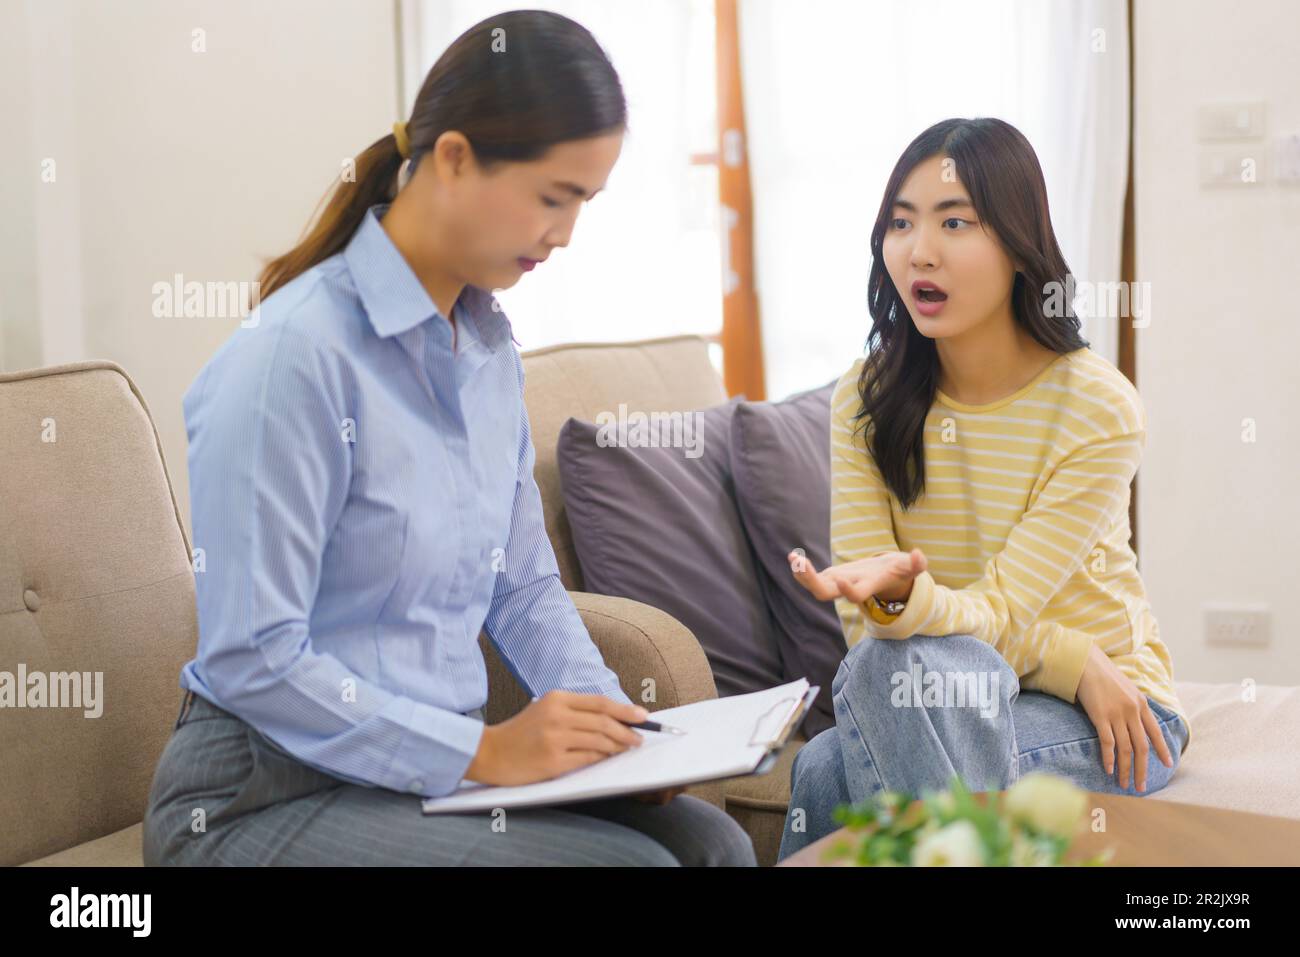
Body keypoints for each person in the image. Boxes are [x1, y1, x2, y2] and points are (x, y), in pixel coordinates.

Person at [143, 9, 754, 867]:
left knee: (712, 843)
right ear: (456, 158)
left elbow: (524, 588)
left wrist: (623, 730)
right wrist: (484, 753)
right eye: (554, 195)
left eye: (585, 201)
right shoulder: (293, 358)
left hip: (420, 778)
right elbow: (255, 657)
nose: (567, 231)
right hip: (258, 795)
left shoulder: (488, 350)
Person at [777, 117, 1189, 862]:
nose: (919, 249)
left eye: (954, 221)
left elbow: (994, 608)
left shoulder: (1097, 409)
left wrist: (1073, 665)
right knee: (879, 673)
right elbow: (870, 625)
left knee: (826, 765)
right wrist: (1065, 654)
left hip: (1114, 708)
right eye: (900, 223)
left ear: (1017, 239)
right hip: (965, 679)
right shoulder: (863, 399)